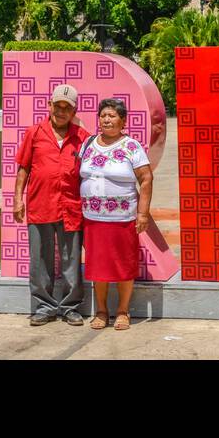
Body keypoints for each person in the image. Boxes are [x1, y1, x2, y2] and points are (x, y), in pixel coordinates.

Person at [14, 84, 89, 326]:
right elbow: (23, 167)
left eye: (67, 108)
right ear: (50, 106)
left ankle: (70, 307)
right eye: (58, 106)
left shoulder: (83, 137)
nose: (61, 111)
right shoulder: (34, 133)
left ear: (74, 110)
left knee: (71, 260)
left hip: (71, 206)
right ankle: (43, 306)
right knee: (40, 260)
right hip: (40, 205)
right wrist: (17, 199)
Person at [79, 98, 152, 331]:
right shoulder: (88, 143)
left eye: (112, 115)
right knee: (97, 267)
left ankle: (122, 311)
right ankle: (101, 311)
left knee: (123, 265)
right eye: (103, 115)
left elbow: (146, 178)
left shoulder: (131, 146)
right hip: (92, 218)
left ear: (123, 120)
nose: (107, 119)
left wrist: (143, 214)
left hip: (122, 219)